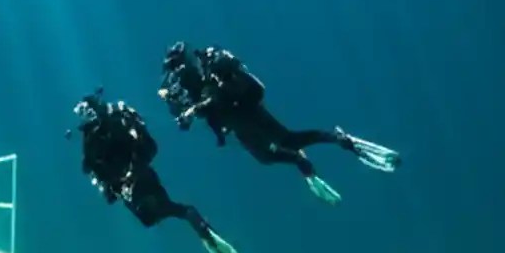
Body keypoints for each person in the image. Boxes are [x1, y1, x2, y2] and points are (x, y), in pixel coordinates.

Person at [164, 43, 401, 205]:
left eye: (177, 65)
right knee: (270, 155)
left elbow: (210, 101)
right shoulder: (193, 84)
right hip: (242, 123)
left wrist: (192, 111)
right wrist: (187, 112)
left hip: (247, 117)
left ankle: (337, 141)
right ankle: (313, 156)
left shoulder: (207, 76)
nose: (178, 72)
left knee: (287, 142)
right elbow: (192, 118)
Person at [71, 88, 240, 253]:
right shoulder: (111, 124)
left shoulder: (100, 133)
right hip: (140, 175)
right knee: (160, 212)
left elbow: (93, 167)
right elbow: (96, 167)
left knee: (152, 215)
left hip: (131, 181)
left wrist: (110, 187)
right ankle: (192, 217)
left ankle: (189, 216)